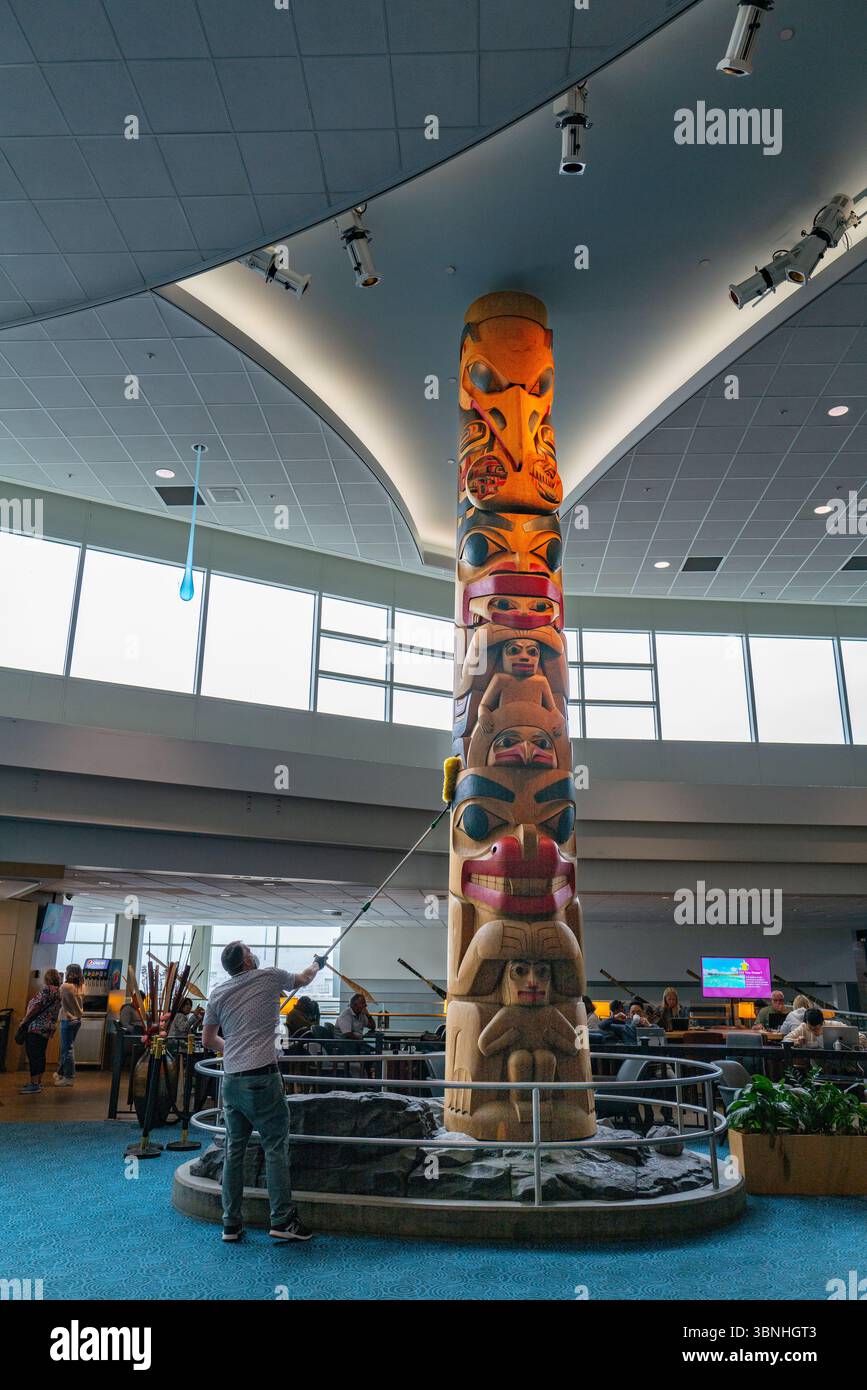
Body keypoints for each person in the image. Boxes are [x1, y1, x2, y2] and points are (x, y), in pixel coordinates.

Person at [202, 941, 319, 1244]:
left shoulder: (217, 993)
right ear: (245, 962)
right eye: (249, 950)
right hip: (262, 1080)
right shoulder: (268, 976)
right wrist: (318, 963)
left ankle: (230, 1224)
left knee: (234, 1152)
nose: (253, 953)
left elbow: (209, 1040)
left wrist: (236, 1048)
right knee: (275, 1148)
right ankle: (282, 1220)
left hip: (232, 1081)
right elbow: (303, 979)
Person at [19, 969, 63, 1094]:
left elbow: (37, 1005)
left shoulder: (46, 989)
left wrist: (25, 1020)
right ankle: (38, 1082)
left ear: (47, 978)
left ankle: (34, 1084)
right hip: (47, 1028)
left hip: (37, 1026)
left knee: (33, 1055)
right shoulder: (58, 992)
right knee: (40, 1055)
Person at [54, 963, 83, 1087]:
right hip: (77, 1020)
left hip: (67, 1019)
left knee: (67, 1050)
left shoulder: (65, 986)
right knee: (67, 1048)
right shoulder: (82, 986)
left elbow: (58, 1000)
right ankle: (60, 1072)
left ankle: (69, 1077)